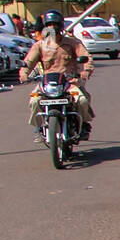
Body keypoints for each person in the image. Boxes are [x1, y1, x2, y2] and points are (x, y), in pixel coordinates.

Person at [19, 10, 93, 143]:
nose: (53, 27)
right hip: (47, 83)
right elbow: (28, 62)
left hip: (69, 82)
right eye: (50, 24)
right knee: (34, 101)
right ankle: (39, 129)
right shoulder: (40, 45)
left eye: (55, 24)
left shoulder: (72, 43)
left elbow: (87, 58)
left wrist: (85, 71)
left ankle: (84, 126)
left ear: (61, 26)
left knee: (82, 100)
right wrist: (24, 74)